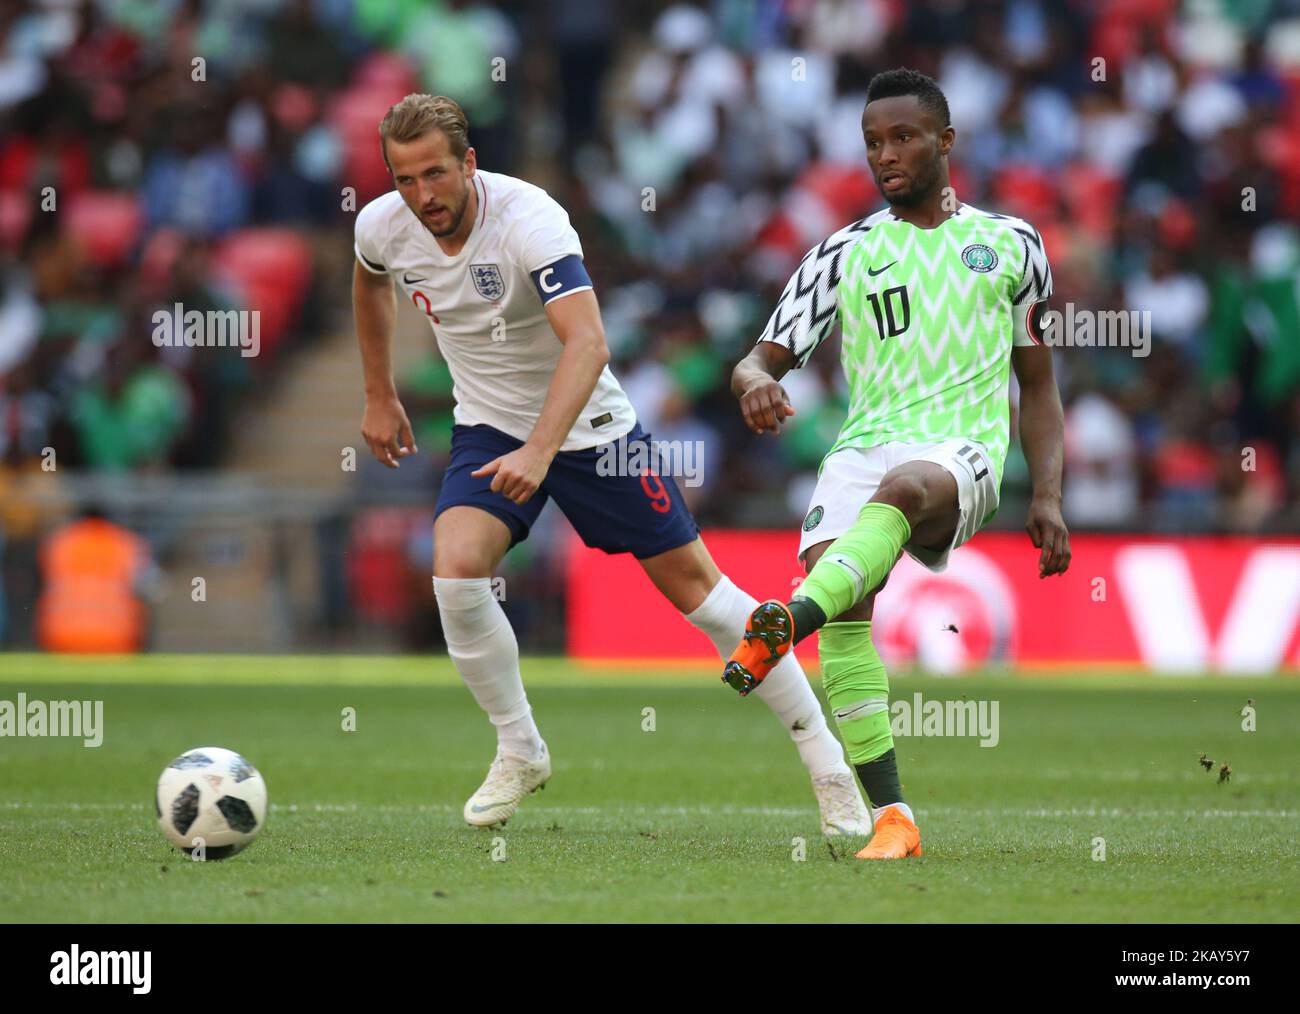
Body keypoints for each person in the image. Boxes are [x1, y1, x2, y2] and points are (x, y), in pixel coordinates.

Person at [352, 94, 870, 833]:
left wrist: (542, 451)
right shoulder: (382, 226)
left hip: (594, 429)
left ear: (469, 163)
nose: (422, 195)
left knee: (705, 596)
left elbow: (588, 343)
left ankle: (827, 765)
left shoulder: (531, 221)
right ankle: (520, 749)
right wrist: (379, 393)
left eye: (435, 174)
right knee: (456, 569)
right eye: (404, 179)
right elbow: (369, 279)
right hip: (492, 425)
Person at [724, 69, 1072, 859]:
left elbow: (1039, 383)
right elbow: (758, 360)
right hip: (863, 440)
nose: (886, 154)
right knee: (842, 607)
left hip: (965, 445)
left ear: (945, 142)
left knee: (906, 490)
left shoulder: (1012, 245)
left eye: (904, 137)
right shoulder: (842, 254)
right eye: (874, 142)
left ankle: (784, 626)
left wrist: (1046, 493)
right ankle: (895, 819)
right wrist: (754, 385)